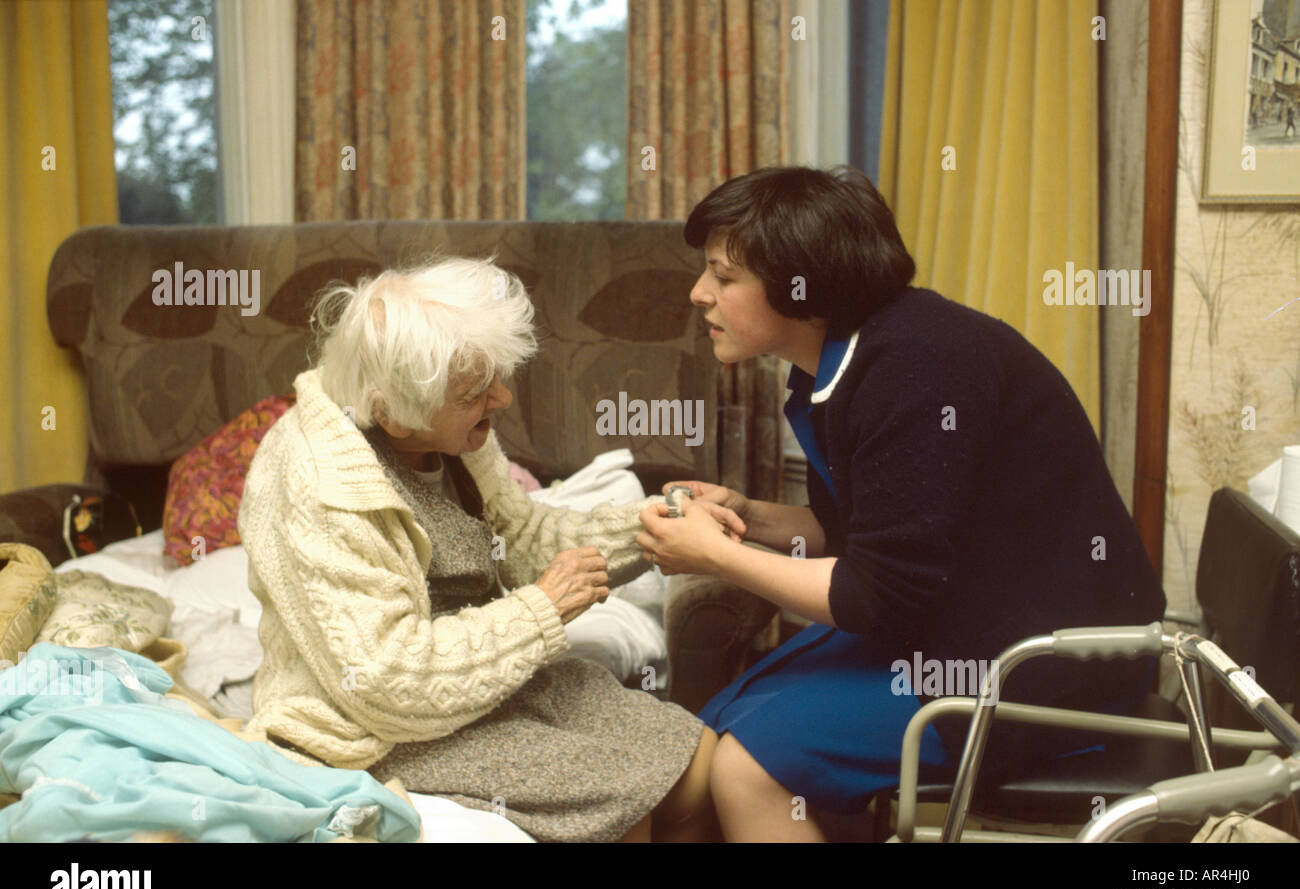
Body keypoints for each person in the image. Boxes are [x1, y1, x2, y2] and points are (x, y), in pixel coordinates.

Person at [636, 165, 1167, 842]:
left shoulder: (919, 368)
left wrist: (715, 554)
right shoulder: (848, 358)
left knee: (746, 767)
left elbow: (875, 590)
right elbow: (865, 535)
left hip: (1045, 671)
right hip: (960, 630)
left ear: (802, 279)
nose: (698, 293)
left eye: (723, 275)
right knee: (706, 733)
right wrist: (749, 511)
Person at [238, 257, 726, 842]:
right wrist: (541, 610)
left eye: (496, 375)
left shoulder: (453, 434)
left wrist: (650, 525)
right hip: (371, 729)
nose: (502, 398)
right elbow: (385, 680)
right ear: (391, 411)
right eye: (475, 392)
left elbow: (517, 538)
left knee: (703, 763)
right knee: (627, 805)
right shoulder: (319, 482)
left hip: (483, 679)